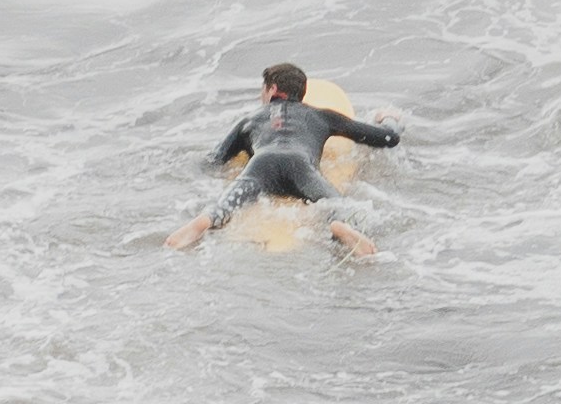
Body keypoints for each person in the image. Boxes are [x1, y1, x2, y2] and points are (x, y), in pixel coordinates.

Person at [161, 61, 400, 259]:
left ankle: (207, 220)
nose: (260, 95)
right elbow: (388, 138)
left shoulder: (250, 121)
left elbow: (214, 160)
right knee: (338, 206)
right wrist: (387, 118)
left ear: (272, 89)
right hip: (301, 166)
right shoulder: (321, 116)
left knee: (227, 206)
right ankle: (341, 226)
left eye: (262, 89)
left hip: (262, 165)